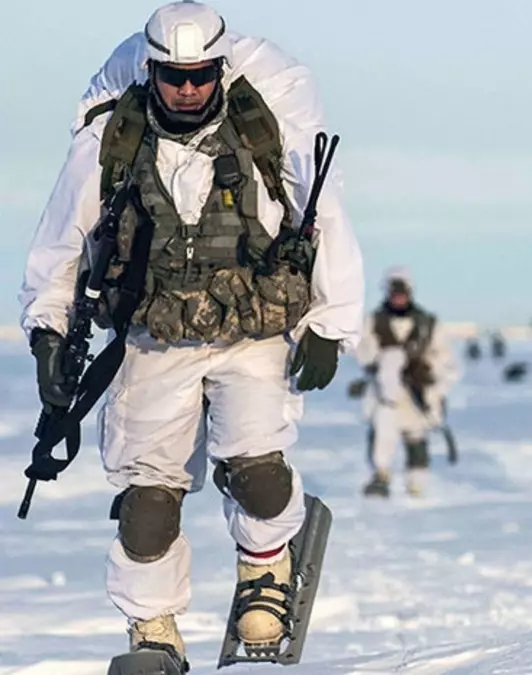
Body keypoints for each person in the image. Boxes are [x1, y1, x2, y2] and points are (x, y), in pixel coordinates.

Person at [18, 2, 363, 670]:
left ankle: (267, 569)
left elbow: (327, 218)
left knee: (258, 473)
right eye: (173, 76)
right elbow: (59, 243)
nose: (186, 88)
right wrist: (48, 334)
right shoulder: (108, 146)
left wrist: (331, 322)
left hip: (251, 334)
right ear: (150, 71)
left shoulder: (267, 135)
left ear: (218, 69)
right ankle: (152, 629)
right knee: (147, 503)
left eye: (199, 75)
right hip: (149, 339)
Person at [351, 268, 459, 497]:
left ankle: (417, 486)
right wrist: (383, 363)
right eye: (394, 292)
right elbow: (364, 352)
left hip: (417, 393)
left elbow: (444, 358)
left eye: (402, 292)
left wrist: (428, 372)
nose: (398, 297)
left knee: (416, 437)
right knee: (382, 436)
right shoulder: (373, 322)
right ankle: (380, 478)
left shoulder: (428, 323)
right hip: (385, 392)